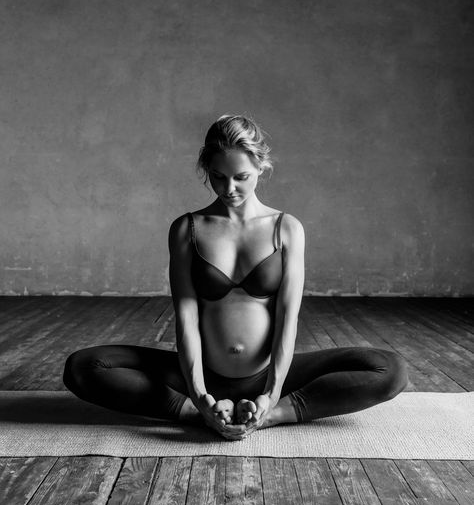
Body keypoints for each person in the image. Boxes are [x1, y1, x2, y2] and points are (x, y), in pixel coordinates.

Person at [63, 114, 407, 440]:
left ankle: (270, 417)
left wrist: (270, 397)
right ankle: (198, 415)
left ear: (261, 166)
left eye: (241, 177)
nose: (228, 188)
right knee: (83, 366)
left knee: (389, 369)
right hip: (201, 374)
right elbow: (186, 319)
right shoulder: (187, 229)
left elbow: (288, 319)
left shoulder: (286, 228)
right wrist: (199, 396)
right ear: (206, 170)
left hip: (269, 374)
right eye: (217, 176)